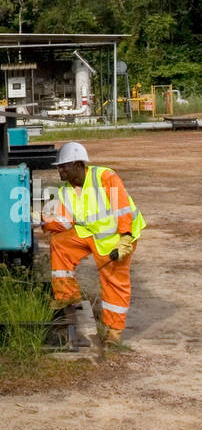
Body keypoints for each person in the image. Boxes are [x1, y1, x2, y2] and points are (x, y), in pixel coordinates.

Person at [41, 141, 146, 344]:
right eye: (59, 167)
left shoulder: (105, 177)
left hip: (117, 238)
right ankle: (67, 296)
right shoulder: (65, 191)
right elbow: (64, 221)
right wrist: (41, 222)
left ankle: (113, 332)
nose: (60, 170)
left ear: (79, 165)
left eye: (64, 166)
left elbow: (122, 208)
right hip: (91, 235)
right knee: (60, 243)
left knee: (114, 283)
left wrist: (125, 237)